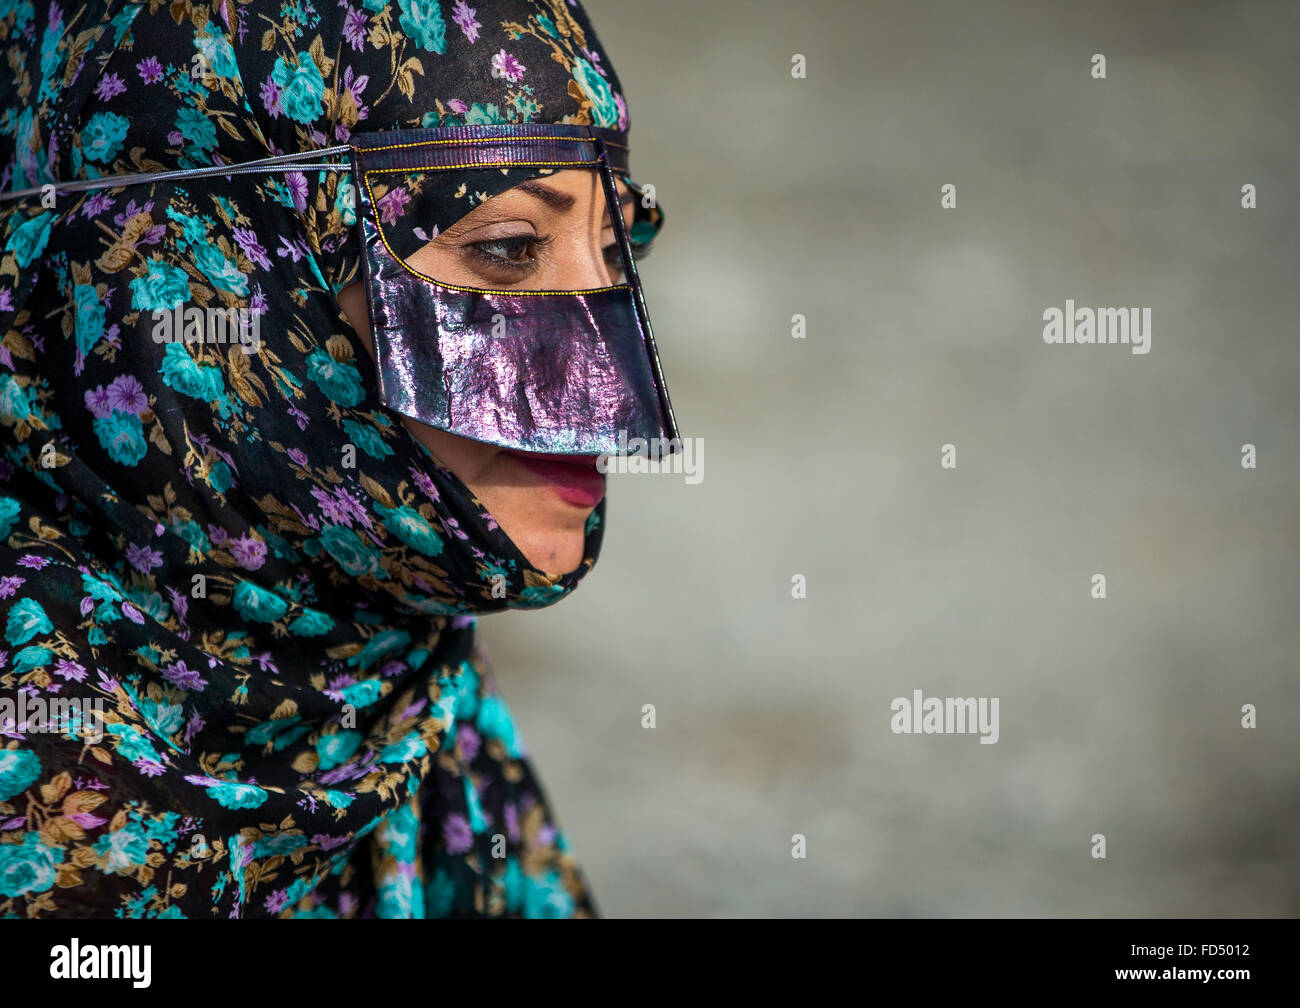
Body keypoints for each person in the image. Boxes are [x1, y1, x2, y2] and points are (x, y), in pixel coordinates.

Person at [0, 0, 676, 918]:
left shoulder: (408, 684)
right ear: (209, 270)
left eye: (617, 250)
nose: (608, 391)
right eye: (509, 248)